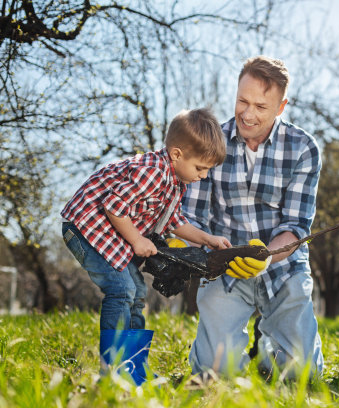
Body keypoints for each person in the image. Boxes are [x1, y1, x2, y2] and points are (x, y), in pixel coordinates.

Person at [60, 108, 259, 385]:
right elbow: (114, 206)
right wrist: (137, 240)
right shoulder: (152, 171)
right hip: (86, 228)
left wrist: (208, 239)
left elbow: (175, 221)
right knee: (122, 289)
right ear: (177, 154)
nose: (203, 175)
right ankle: (114, 370)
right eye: (200, 168)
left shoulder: (176, 182)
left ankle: (133, 367)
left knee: (136, 291)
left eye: (208, 170)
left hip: (109, 232)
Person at [183, 55, 324, 378]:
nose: (248, 114)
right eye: (242, 101)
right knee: (214, 374)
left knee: (302, 377)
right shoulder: (211, 142)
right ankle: (223, 347)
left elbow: (296, 226)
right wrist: (203, 251)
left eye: (261, 107)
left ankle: (268, 350)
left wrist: (266, 257)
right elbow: (194, 215)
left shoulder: (303, 148)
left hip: (283, 268)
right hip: (225, 270)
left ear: (281, 106)